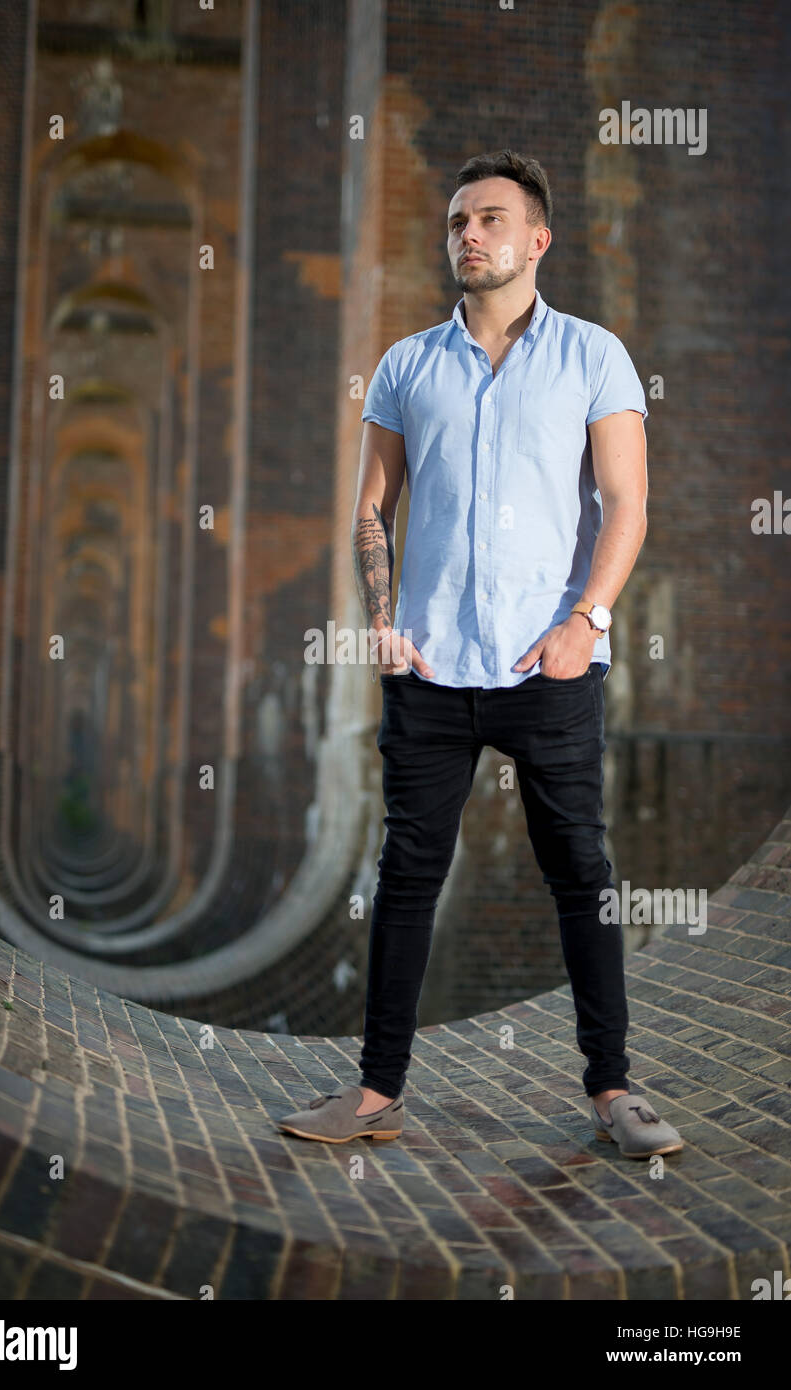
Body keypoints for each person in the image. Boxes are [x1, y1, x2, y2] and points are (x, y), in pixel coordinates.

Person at [278, 149, 683, 1160]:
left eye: (490, 219)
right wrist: (382, 619)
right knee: (406, 876)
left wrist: (584, 620)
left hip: (550, 672)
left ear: (535, 239)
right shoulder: (408, 366)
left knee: (580, 873)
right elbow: (371, 507)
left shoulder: (593, 356)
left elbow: (626, 504)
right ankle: (376, 1094)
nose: (469, 235)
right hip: (430, 673)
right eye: (458, 220)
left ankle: (613, 1089)